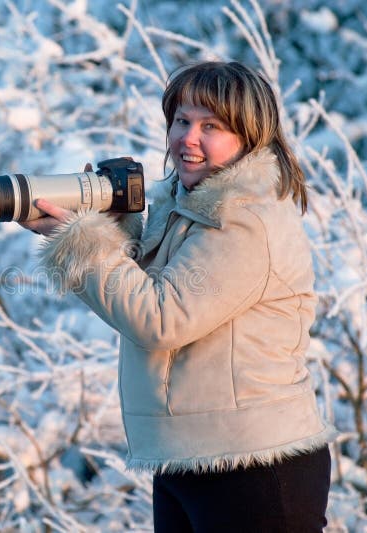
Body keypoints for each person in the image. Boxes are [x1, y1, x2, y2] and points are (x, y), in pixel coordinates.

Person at [21, 61, 336, 532]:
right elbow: (144, 294)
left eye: (212, 126)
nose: (188, 137)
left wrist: (79, 240)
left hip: (252, 467)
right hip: (189, 458)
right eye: (182, 120)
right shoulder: (187, 206)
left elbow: (161, 319)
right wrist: (103, 229)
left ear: (250, 138)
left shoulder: (243, 218)